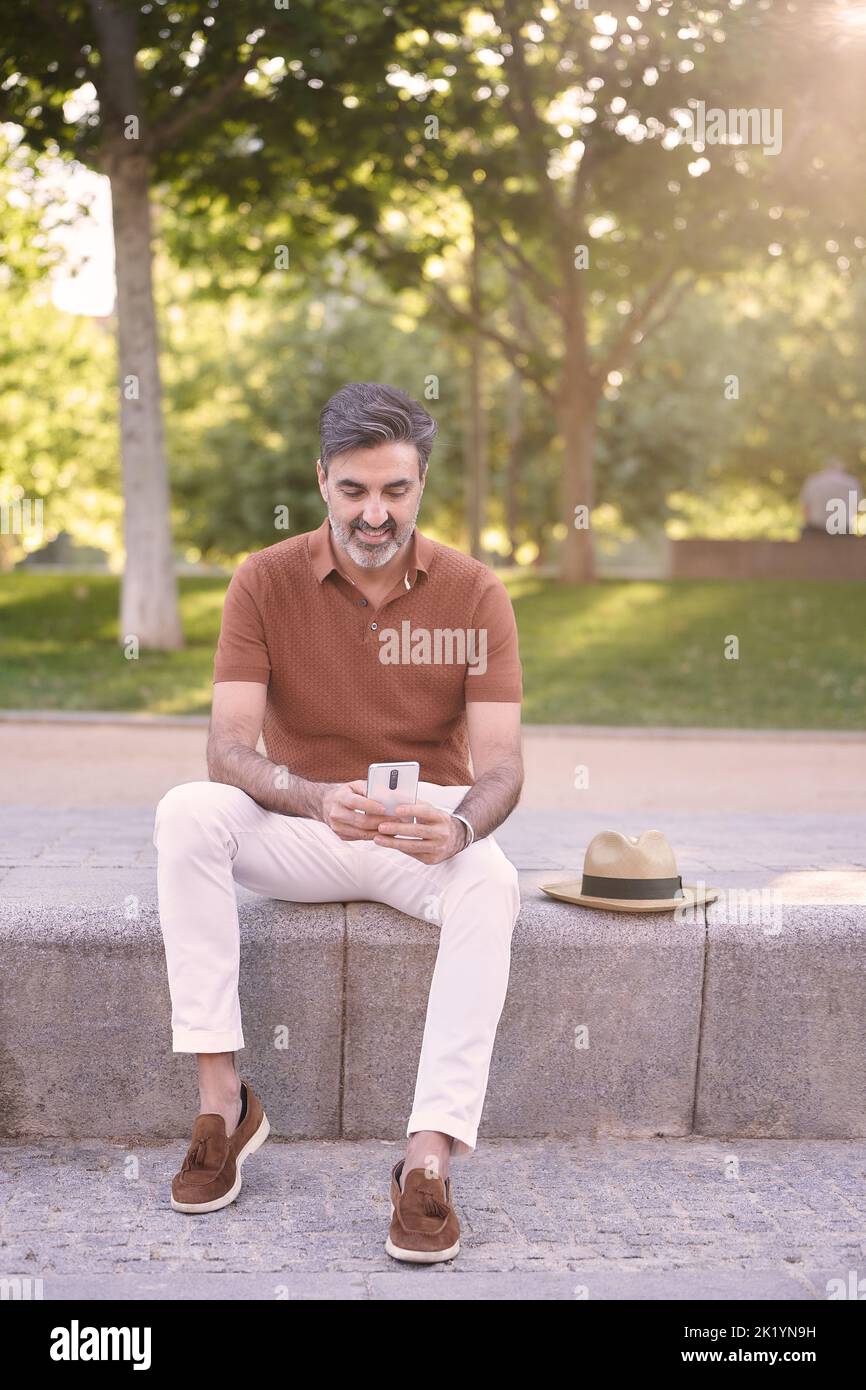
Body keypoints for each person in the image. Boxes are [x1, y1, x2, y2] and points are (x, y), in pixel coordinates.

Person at [153, 381, 524, 1263]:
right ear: (322, 481)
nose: (374, 513)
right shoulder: (263, 580)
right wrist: (312, 795)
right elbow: (227, 751)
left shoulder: (475, 594)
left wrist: (463, 828)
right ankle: (223, 1105)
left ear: (421, 485)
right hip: (302, 818)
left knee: (495, 881)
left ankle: (427, 1159)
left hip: (420, 832)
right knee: (188, 813)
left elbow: (504, 764)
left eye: (395, 491)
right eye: (355, 490)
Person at [799, 458, 863, 537]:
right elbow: (857, 508)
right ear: (841, 468)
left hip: (817, 529)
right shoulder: (852, 482)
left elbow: (805, 509)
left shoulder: (812, 482)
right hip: (844, 530)